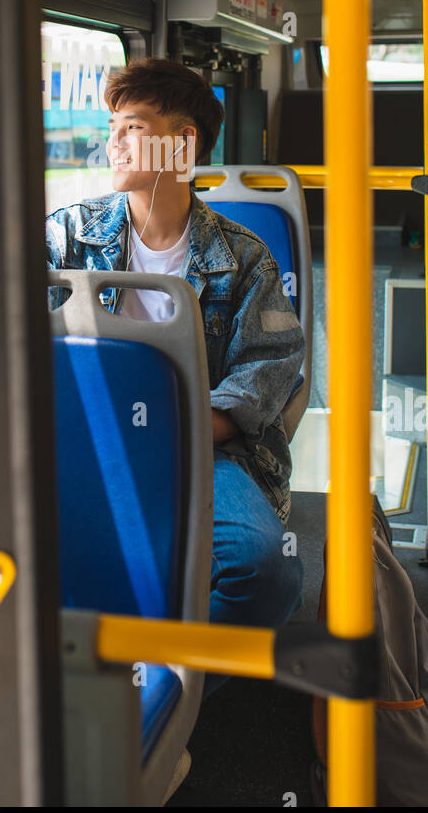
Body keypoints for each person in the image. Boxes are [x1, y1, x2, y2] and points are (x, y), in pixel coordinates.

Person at [45, 57, 305, 650]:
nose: (112, 143)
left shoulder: (246, 260)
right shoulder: (65, 238)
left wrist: (165, 434)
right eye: (110, 128)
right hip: (86, 440)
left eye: (131, 128)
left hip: (200, 449)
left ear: (183, 144)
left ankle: (159, 690)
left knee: (266, 573)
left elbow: (262, 376)